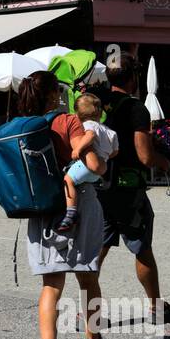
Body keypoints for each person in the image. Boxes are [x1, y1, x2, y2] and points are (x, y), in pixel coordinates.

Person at [18, 71, 115, 339]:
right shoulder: (68, 121)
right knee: (89, 278)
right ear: (54, 95)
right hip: (78, 206)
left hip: (40, 210)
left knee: (51, 287)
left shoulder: (22, 125)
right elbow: (93, 165)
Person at [97, 53, 170, 323]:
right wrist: (164, 161)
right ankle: (156, 308)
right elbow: (144, 155)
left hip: (99, 185)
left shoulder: (97, 103)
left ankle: (89, 310)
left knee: (98, 249)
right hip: (128, 188)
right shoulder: (135, 108)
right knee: (141, 247)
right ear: (133, 77)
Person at [56, 93, 114, 234]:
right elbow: (115, 151)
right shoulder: (109, 131)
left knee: (68, 180)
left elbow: (90, 136)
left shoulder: (87, 125)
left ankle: (71, 213)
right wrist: (104, 157)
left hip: (87, 166)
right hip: (101, 169)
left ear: (77, 114)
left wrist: (78, 148)